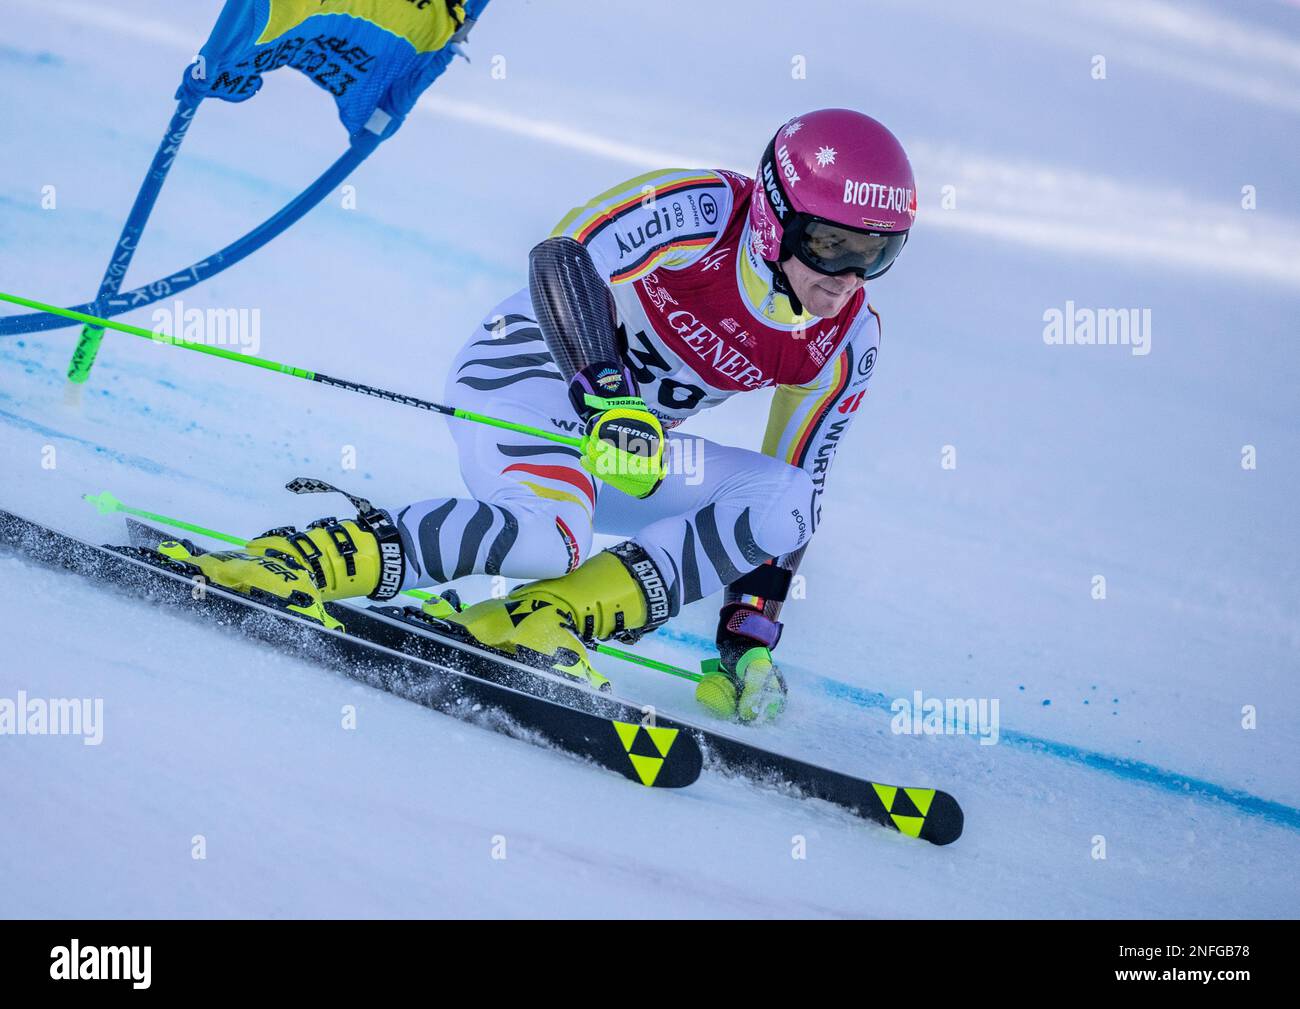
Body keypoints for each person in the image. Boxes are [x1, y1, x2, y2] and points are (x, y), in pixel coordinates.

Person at [187, 108, 916, 722]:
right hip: (529, 373)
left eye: (877, 255)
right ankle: (292, 559)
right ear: (778, 219)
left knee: (792, 500)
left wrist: (748, 634)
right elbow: (563, 255)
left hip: (622, 446)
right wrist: (607, 390)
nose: (847, 277)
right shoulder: (704, 210)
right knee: (550, 534)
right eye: (831, 246)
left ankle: (543, 618)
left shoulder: (847, 338)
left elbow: (791, 482)